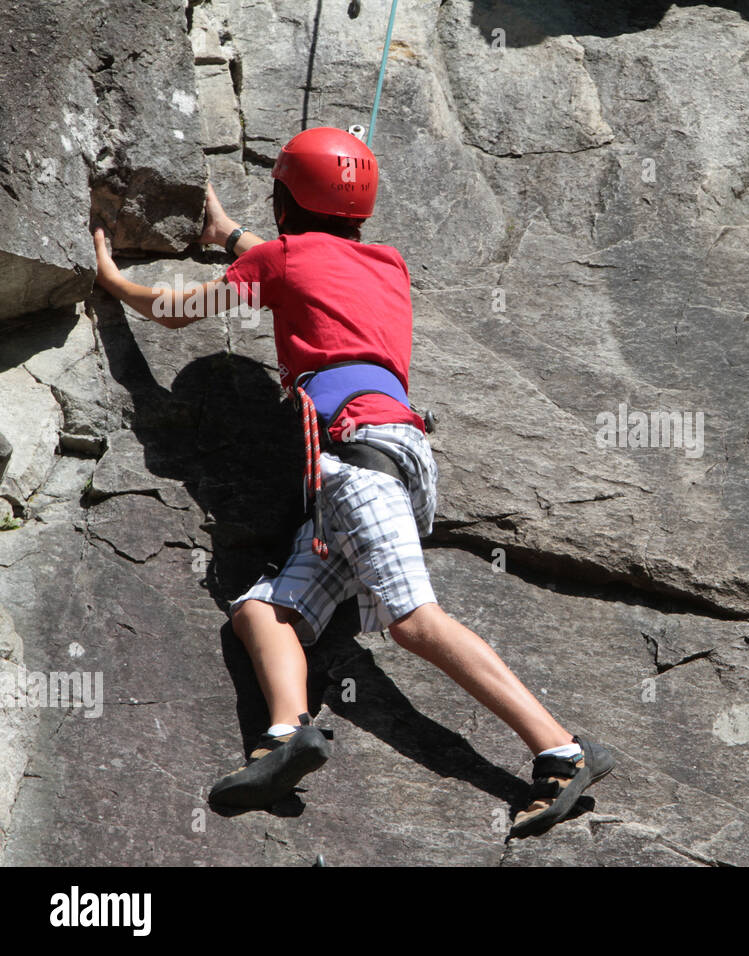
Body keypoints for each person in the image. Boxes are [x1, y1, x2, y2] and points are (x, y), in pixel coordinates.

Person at [91, 126, 613, 838]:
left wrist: (113, 281)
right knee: (262, 608)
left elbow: (181, 309)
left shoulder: (279, 258)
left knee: (414, 621)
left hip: (355, 458)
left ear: (283, 199)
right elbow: (307, 274)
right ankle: (286, 736)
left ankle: (561, 751)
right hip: (384, 460)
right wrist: (236, 234)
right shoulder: (387, 263)